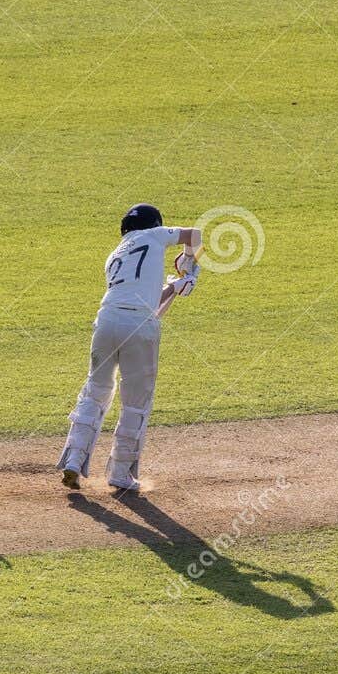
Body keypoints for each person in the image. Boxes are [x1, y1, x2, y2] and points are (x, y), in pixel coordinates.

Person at [58, 203, 201, 492]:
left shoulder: (114, 257)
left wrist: (174, 288)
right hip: (138, 327)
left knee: (95, 392)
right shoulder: (155, 235)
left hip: (106, 322)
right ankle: (120, 474)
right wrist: (190, 265)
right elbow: (195, 235)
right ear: (154, 224)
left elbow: (145, 308)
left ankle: (73, 460)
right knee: (136, 402)